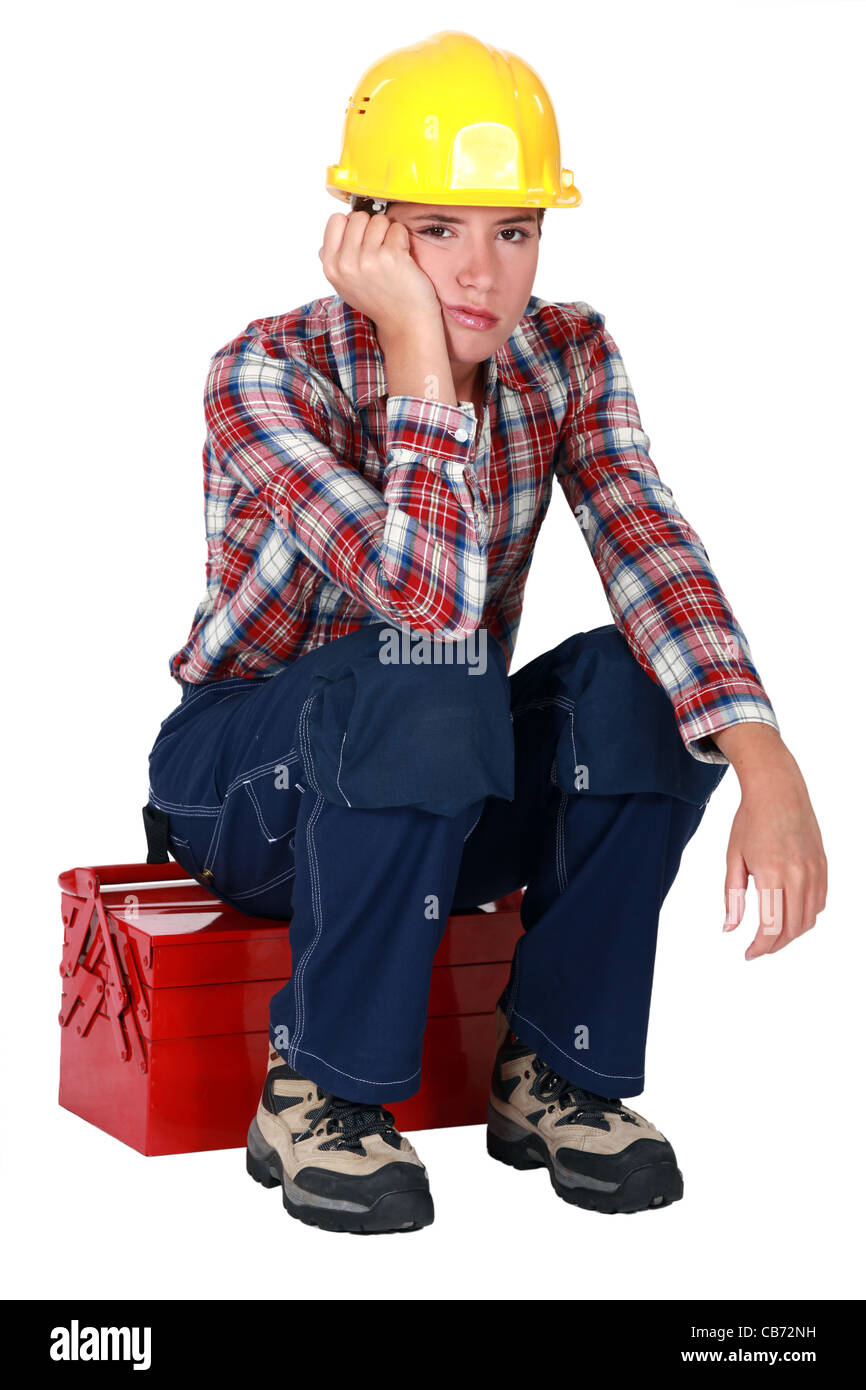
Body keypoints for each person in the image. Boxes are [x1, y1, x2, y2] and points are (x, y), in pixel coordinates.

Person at [144, 30, 827, 1234]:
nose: (480, 273)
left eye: (511, 232)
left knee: (636, 681)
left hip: (429, 782)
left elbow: (649, 548)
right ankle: (319, 1089)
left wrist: (761, 754)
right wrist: (417, 357)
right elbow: (424, 604)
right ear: (364, 234)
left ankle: (553, 1064)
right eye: (436, 231)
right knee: (429, 658)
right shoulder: (267, 374)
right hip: (244, 793)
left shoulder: (567, 355)